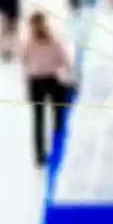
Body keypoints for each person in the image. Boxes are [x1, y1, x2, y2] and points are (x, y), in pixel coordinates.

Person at [22, 12, 73, 166]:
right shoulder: (53, 41)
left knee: (38, 119)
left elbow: (23, 60)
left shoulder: (28, 43)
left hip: (35, 81)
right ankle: (58, 149)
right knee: (58, 116)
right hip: (52, 80)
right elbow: (64, 61)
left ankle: (39, 156)